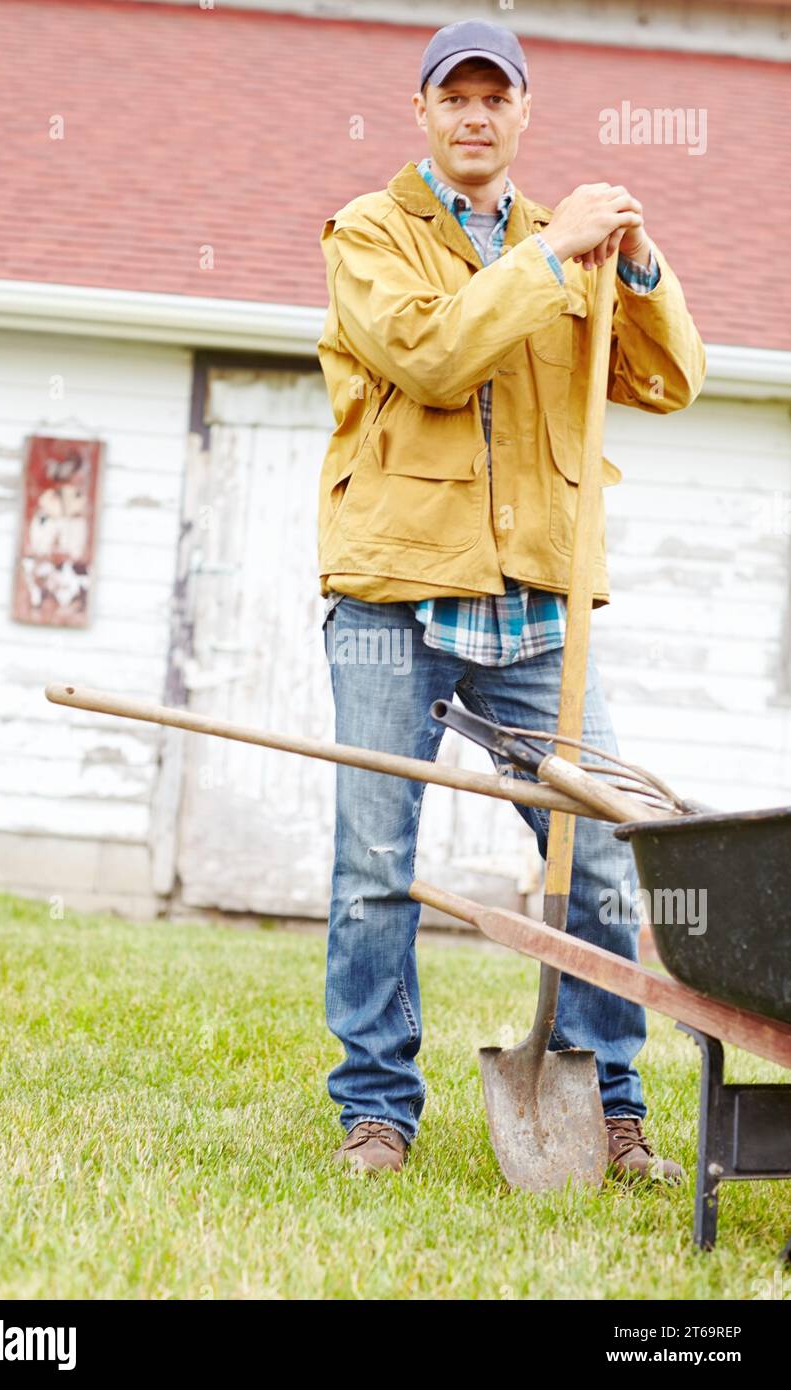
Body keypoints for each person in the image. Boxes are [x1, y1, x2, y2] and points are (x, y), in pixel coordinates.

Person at [315, 19, 706, 1180]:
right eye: (455, 97)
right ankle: (376, 1111)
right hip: (393, 593)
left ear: (524, 112)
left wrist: (633, 268)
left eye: (497, 97)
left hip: (537, 601)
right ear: (423, 112)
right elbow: (433, 356)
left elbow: (669, 380)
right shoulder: (369, 233)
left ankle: (611, 1101)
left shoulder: (574, 242)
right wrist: (551, 261)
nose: (475, 116)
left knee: (589, 859)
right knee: (374, 864)